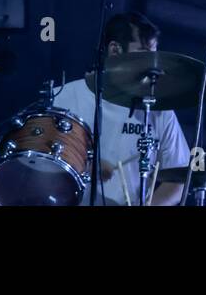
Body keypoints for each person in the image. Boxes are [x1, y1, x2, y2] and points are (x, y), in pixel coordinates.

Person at [51, 12, 191, 205]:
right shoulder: (64, 97)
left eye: (153, 54)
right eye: (143, 52)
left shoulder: (158, 109)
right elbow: (37, 166)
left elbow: (177, 180)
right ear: (115, 50)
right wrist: (86, 166)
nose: (152, 63)